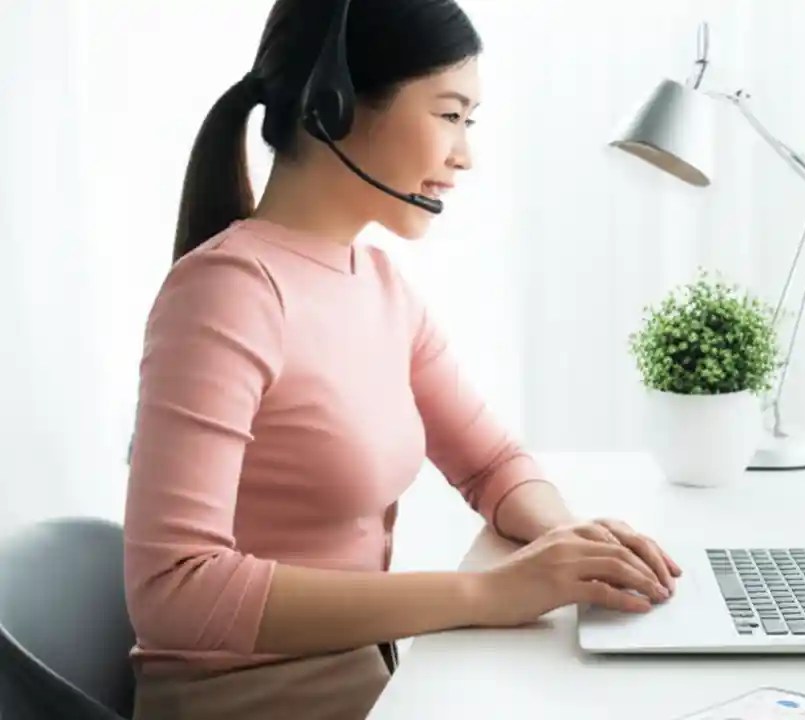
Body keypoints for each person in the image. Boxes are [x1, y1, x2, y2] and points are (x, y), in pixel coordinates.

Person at [123, 1, 680, 717]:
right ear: (334, 105)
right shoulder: (227, 294)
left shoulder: (379, 285)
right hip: (250, 698)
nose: (465, 155)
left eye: (469, 122)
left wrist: (571, 543)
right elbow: (175, 591)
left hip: (365, 678)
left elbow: (491, 464)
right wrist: (486, 594)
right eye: (449, 115)